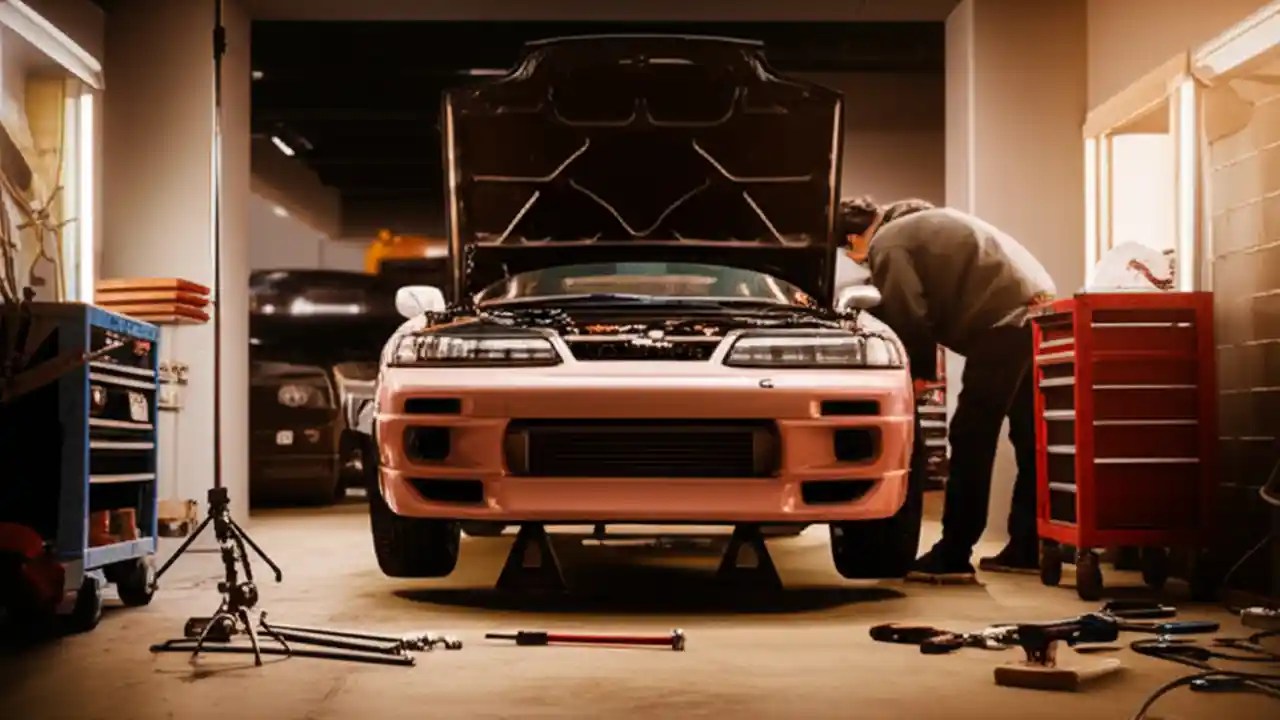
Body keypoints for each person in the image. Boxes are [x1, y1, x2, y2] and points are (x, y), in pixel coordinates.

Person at [839, 196, 1055, 583]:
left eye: (850, 251)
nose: (856, 259)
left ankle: (954, 552)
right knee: (1029, 436)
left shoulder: (888, 241)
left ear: (855, 237)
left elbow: (907, 312)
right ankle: (1027, 546)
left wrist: (917, 373)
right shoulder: (925, 223)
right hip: (1038, 314)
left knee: (971, 434)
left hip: (1004, 323)